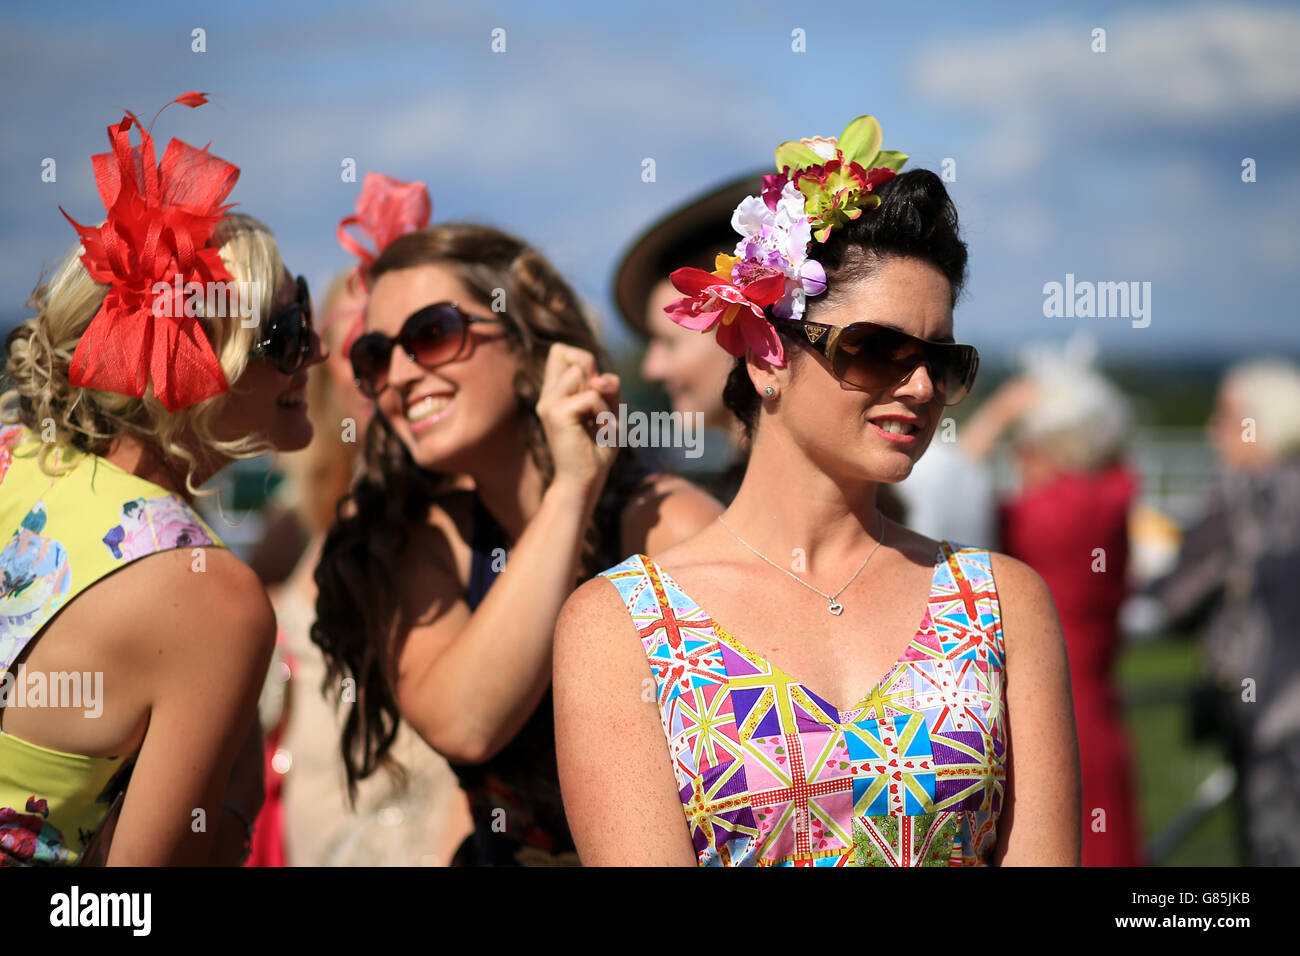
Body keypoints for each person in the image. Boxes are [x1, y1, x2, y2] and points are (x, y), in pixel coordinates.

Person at [555, 114, 1081, 866]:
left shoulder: (1002, 603)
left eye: (943, 359)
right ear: (767, 357)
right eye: (877, 350)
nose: (922, 385)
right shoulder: (620, 626)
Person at [310, 177, 722, 866]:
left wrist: (581, 482)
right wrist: (571, 488)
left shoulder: (666, 527)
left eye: (433, 334)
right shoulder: (421, 542)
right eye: (377, 356)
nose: (404, 374)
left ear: (528, 337)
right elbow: (468, 724)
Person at [0, 95, 325, 865]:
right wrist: (238, 796)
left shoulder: (11, 454)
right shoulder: (209, 594)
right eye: (284, 334)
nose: (314, 351)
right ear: (191, 372)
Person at [958, 335, 1146, 866]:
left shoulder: (1044, 515)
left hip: (1042, 719)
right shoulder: (1112, 500)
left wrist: (995, 415)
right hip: (1098, 709)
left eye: (1026, 441)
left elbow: (950, 484)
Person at [1145, 357, 1300, 866]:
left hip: (1274, 721)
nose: (1214, 432)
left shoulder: (1248, 493)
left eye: (1228, 418)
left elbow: (1177, 594)